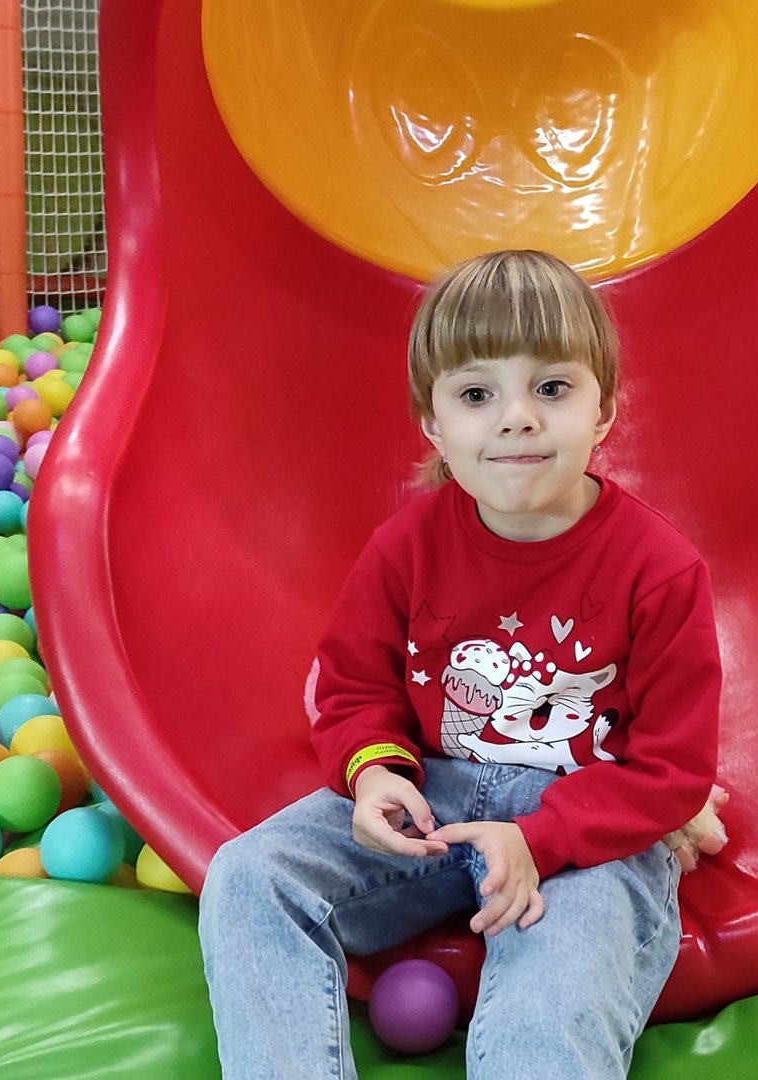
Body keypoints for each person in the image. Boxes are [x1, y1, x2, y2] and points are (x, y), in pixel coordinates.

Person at [199, 249, 726, 1079]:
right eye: (478, 395)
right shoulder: (404, 550)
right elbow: (354, 687)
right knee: (248, 878)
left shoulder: (658, 570)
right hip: (436, 799)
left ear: (604, 409)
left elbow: (674, 770)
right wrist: (375, 775)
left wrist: (540, 838)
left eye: (551, 388)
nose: (516, 418)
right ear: (434, 424)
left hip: (588, 831)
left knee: (546, 1007)